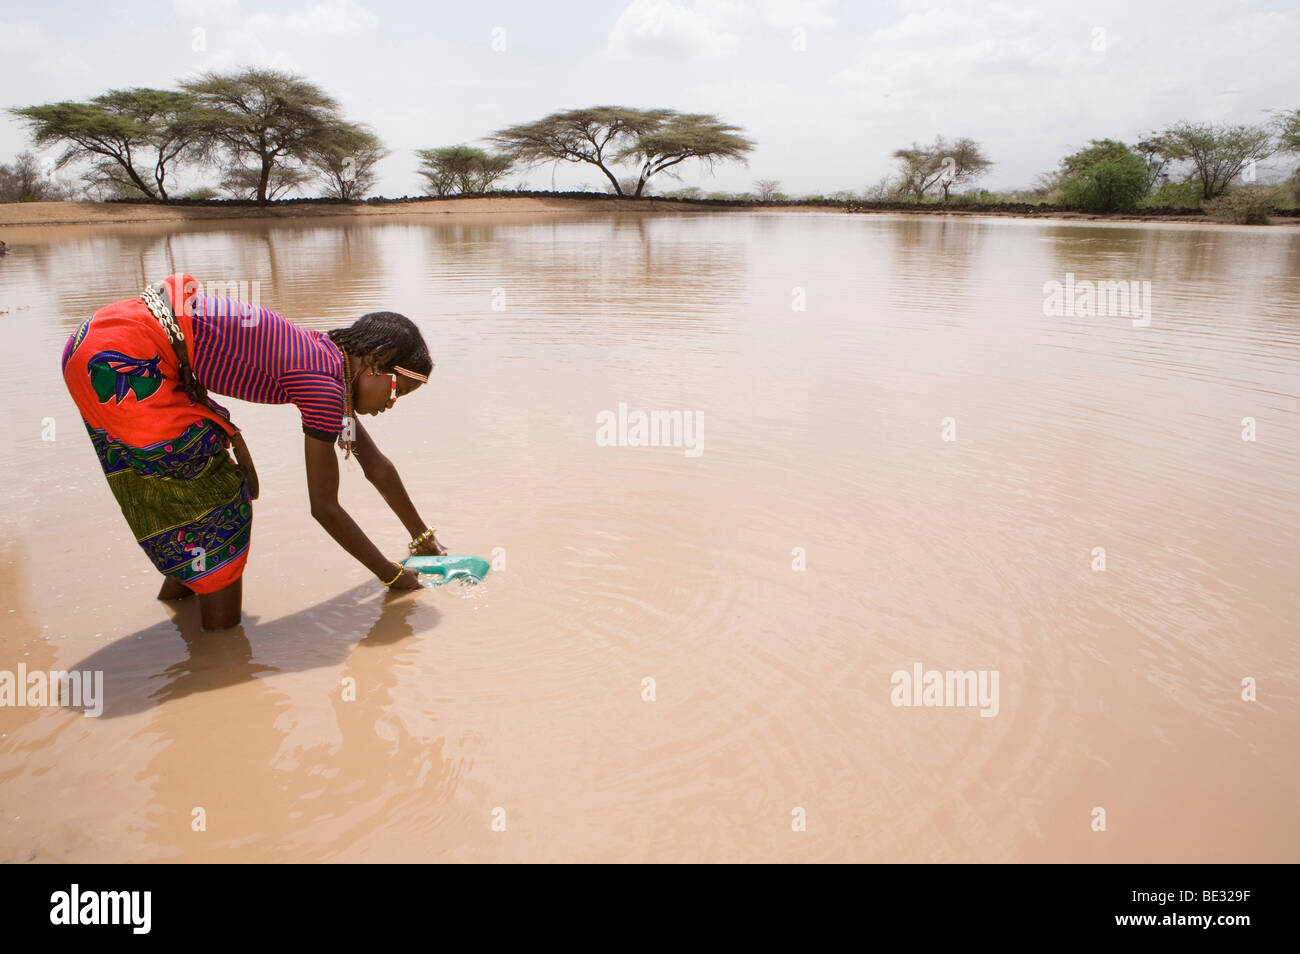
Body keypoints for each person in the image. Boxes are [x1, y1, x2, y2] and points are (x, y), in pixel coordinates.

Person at [61, 273, 445, 630]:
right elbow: (324, 507)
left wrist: (421, 537)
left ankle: (182, 622)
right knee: (222, 506)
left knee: (196, 506)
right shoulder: (325, 386)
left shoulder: (324, 359)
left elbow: (376, 466)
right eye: (397, 390)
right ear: (375, 361)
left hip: (100, 339)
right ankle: (219, 647)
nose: (392, 404)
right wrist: (392, 576)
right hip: (123, 360)